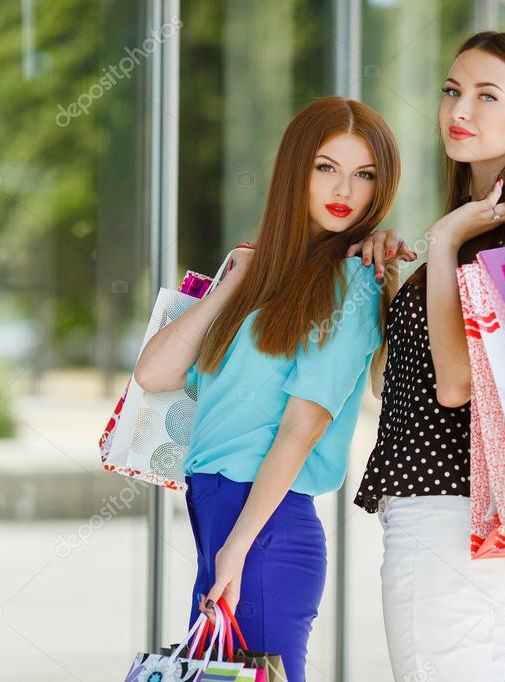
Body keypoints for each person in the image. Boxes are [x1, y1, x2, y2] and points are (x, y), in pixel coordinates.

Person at [135, 95, 400, 682]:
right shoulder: (261, 281)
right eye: (326, 167)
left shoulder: (351, 283)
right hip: (226, 527)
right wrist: (237, 279)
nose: (345, 189)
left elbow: (302, 428)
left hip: (263, 531)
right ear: (294, 170)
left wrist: (237, 548)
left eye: (365, 175)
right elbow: (154, 374)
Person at [347, 31, 505, 682]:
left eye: (485, 95)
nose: (460, 110)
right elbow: (392, 382)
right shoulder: (483, 229)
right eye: (452, 90)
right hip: (468, 515)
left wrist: (444, 242)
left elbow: (454, 386)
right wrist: (395, 283)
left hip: (453, 512)